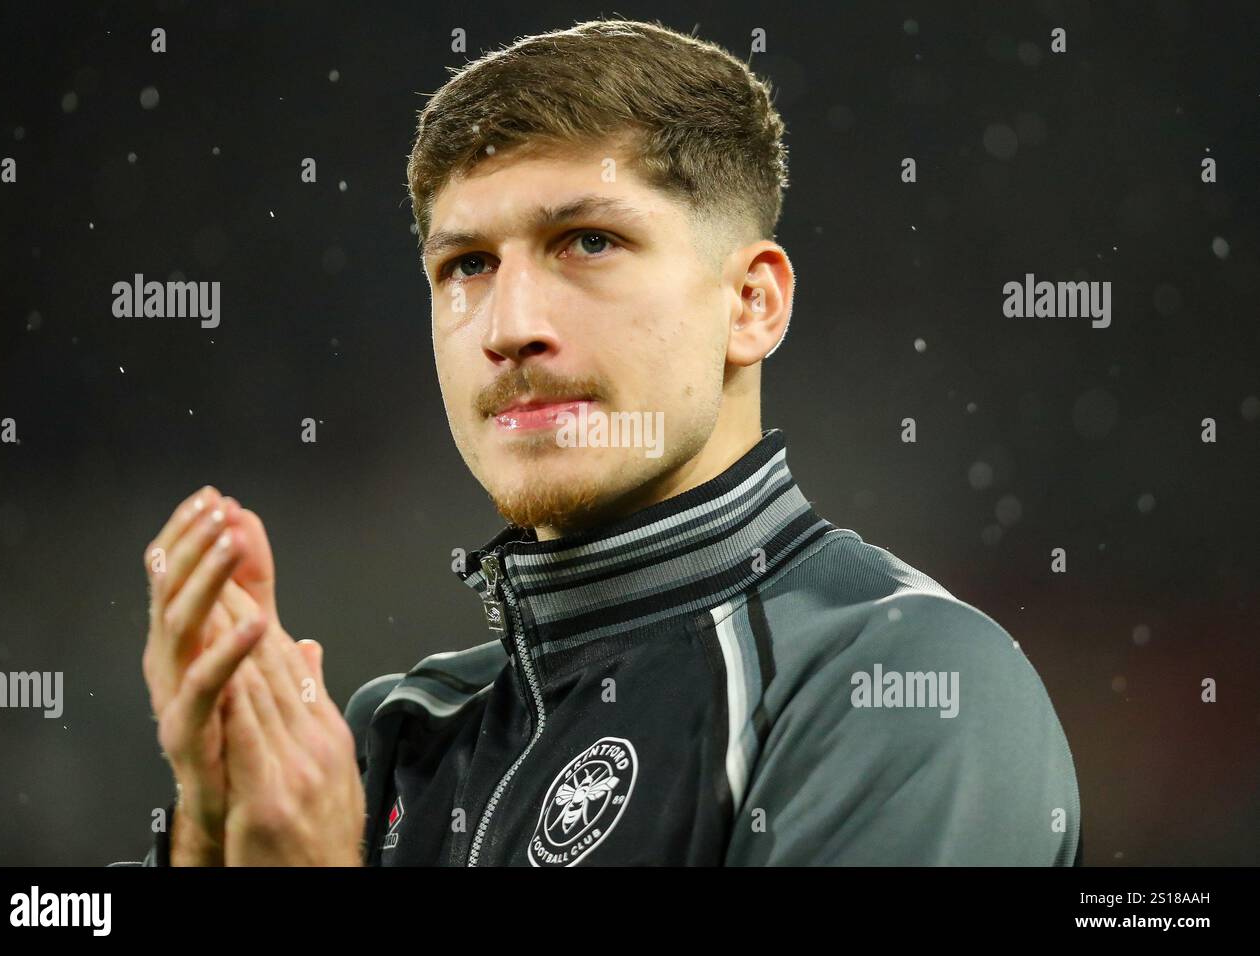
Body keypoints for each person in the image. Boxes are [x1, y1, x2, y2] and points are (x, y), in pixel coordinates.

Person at [120, 18, 1081, 867]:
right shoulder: (391, 740)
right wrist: (207, 841)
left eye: (587, 242)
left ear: (751, 304)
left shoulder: (904, 684)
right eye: (468, 264)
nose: (509, 327)